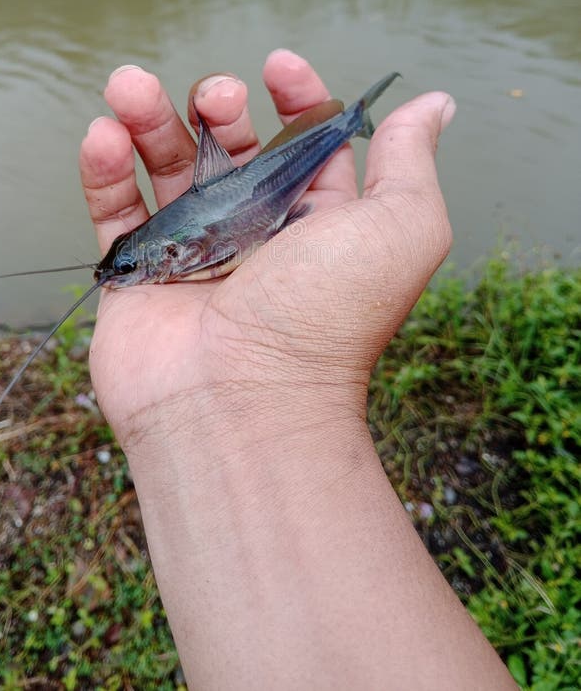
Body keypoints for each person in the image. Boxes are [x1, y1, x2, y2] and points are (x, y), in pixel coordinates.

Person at [79, 49, 516, 690]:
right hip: (246, 197)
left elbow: (215, 231)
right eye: (127, 268)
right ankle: (351, 119)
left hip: (259, 189)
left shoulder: (181, 247)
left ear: (166, 258)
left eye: (131, 268)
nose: (122, 279)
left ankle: (350, 119)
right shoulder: (166, 246)